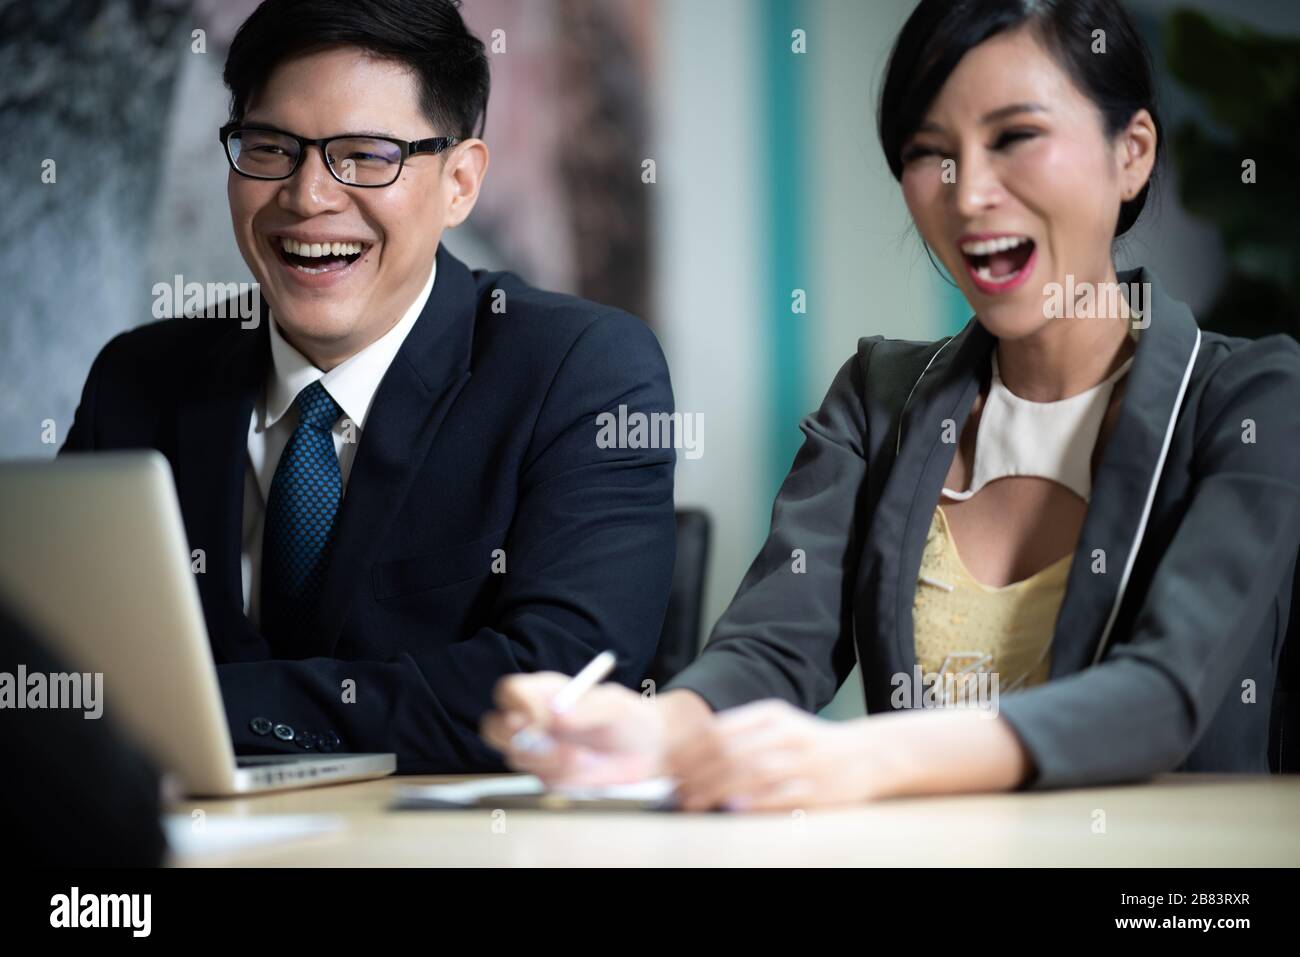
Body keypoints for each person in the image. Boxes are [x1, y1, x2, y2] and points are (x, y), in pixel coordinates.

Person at [483, 0, 1300, 810]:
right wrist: (660, 731)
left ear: (1133, 152)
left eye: (1015, 136)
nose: (969, 191)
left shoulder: (1250, 399)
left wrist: (864, 756)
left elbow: (1163, 690)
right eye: (929, 152)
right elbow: (772, 648)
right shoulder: (878, 399)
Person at [61, 0, 675, 773]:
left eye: (366, 155)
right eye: (271, 146)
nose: (308, 195)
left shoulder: (583, 373)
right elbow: (61, 661)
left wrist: (207, 707)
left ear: (460, 182)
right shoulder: (140, 378)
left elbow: (557, 689)